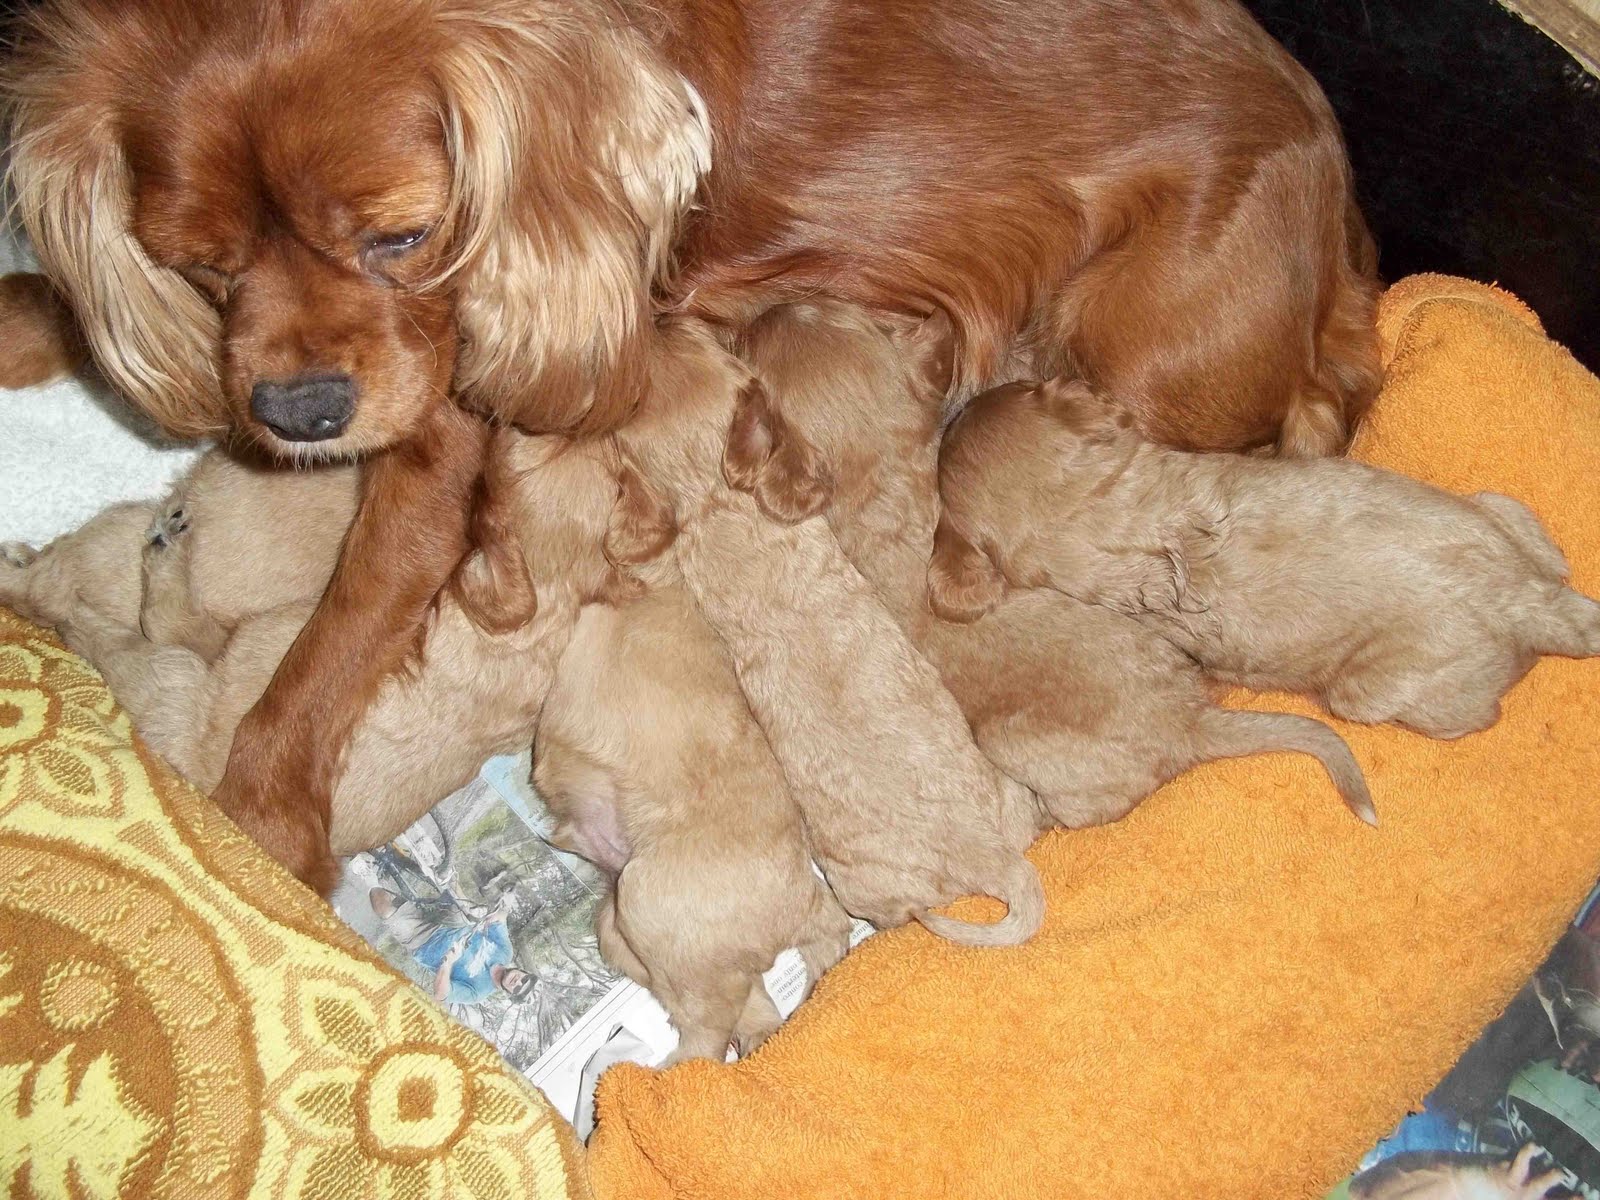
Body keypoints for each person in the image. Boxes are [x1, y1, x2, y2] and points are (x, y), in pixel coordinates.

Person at [369, 887, 534, 1004]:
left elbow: (441, 994)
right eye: (525, 979)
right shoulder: (505, 952)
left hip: (424, 941)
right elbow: (500, 920)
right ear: (524, 971)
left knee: (384, 910)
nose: (518, 982)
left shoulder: (477, 992)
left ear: (510, 995)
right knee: (459, 895)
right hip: (453, 921)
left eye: (518, 989)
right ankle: (429, 856)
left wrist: (447, 963)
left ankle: (370, 876)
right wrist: (501, 910)